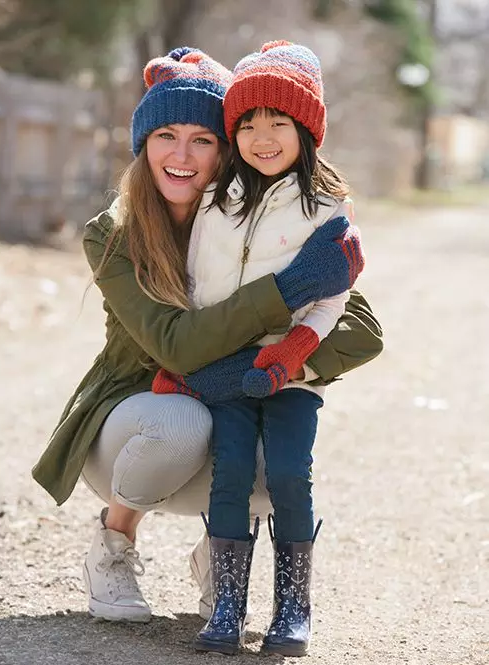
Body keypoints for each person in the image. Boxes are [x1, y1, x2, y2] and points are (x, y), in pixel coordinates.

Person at [32, 46, 382, 627]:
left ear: (227, 149)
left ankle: (220, 556)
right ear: (143, 145)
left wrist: (281, 363)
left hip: (225, 413)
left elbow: (361, 329)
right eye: (166, 135)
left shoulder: (267, 218)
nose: (182, 155)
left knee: (281, 450)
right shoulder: (113, 234)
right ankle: (115, 542)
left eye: (203, 139)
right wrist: (288, 291)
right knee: (182, 423)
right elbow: (175, 348)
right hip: (135, 426)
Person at [152, 41, 365, 656]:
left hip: (291, 375)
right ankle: (226, 605)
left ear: (307, 129)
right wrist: (191, 358)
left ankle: (294, 607)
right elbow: (194, 287)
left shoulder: (328, 209)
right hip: (226, 370)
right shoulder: (218, 203)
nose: (262, 136)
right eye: (247, 123)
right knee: (232, 476)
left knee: (292, 476)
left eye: (278, 122)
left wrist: (298, 346)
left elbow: (333, 296)